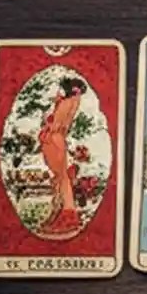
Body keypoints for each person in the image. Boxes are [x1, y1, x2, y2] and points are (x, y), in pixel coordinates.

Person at [38, 77, 86, 236]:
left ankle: (67, 214)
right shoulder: (72, 102)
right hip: (55, 139)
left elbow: (57, 125)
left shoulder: (68, 102)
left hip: (54, 139)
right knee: (60, 177)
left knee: (62, 176)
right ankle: (60, 213)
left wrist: (48, 123)